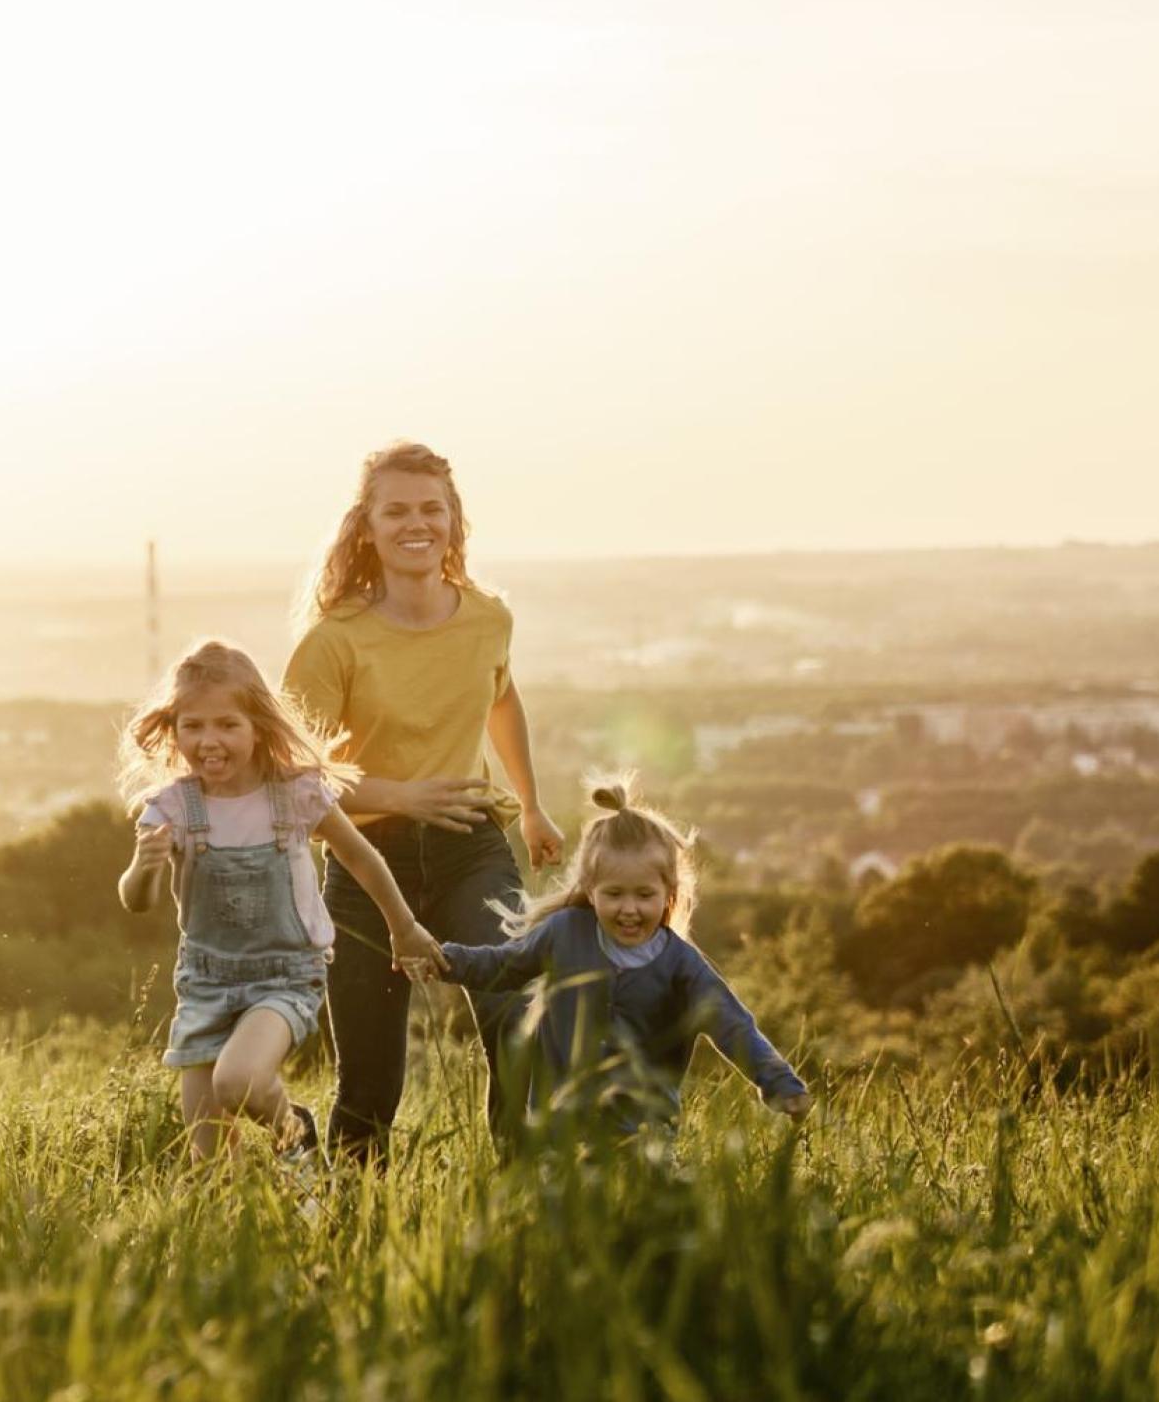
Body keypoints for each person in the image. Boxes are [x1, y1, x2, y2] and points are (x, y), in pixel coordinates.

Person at [282, 441, 564, 1160]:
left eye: (431, 508)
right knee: (371, 1081)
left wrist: (529, 805)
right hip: (367, 864)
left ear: (453, 520)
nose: (418, 523)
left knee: (517, 1012)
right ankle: (352, 1225)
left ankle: (522, 1193)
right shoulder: (333, 640)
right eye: (397, 510)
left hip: (471, 848)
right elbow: (294, 779)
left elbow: (502, 698)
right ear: (366, 527)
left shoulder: (488, 618)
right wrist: (403, 793)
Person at [117, 640, 448, 1164]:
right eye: (193, 726)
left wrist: (403, 927)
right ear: (174, 729)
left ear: (259, 726)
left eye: (228, 724)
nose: (209, 741)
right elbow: (138, 900)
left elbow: (361, 858)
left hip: (284, 976)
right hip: (206, 980)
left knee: (240, 1081)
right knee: (205, 1156)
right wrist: (144, 865)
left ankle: (295, 1133)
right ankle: (254, 1224)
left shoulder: (294, 794)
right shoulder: (173, 806)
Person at [406, 784, 811, 1136]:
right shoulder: (564, 933)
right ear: (590, 888)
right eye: (614, 894)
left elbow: (733, 1026)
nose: (629, 908)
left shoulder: (681, 966)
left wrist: (780, 1084)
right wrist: (445, 960)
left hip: (644, 1135)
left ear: (669, 893)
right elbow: (501, 965)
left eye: (644, 895)